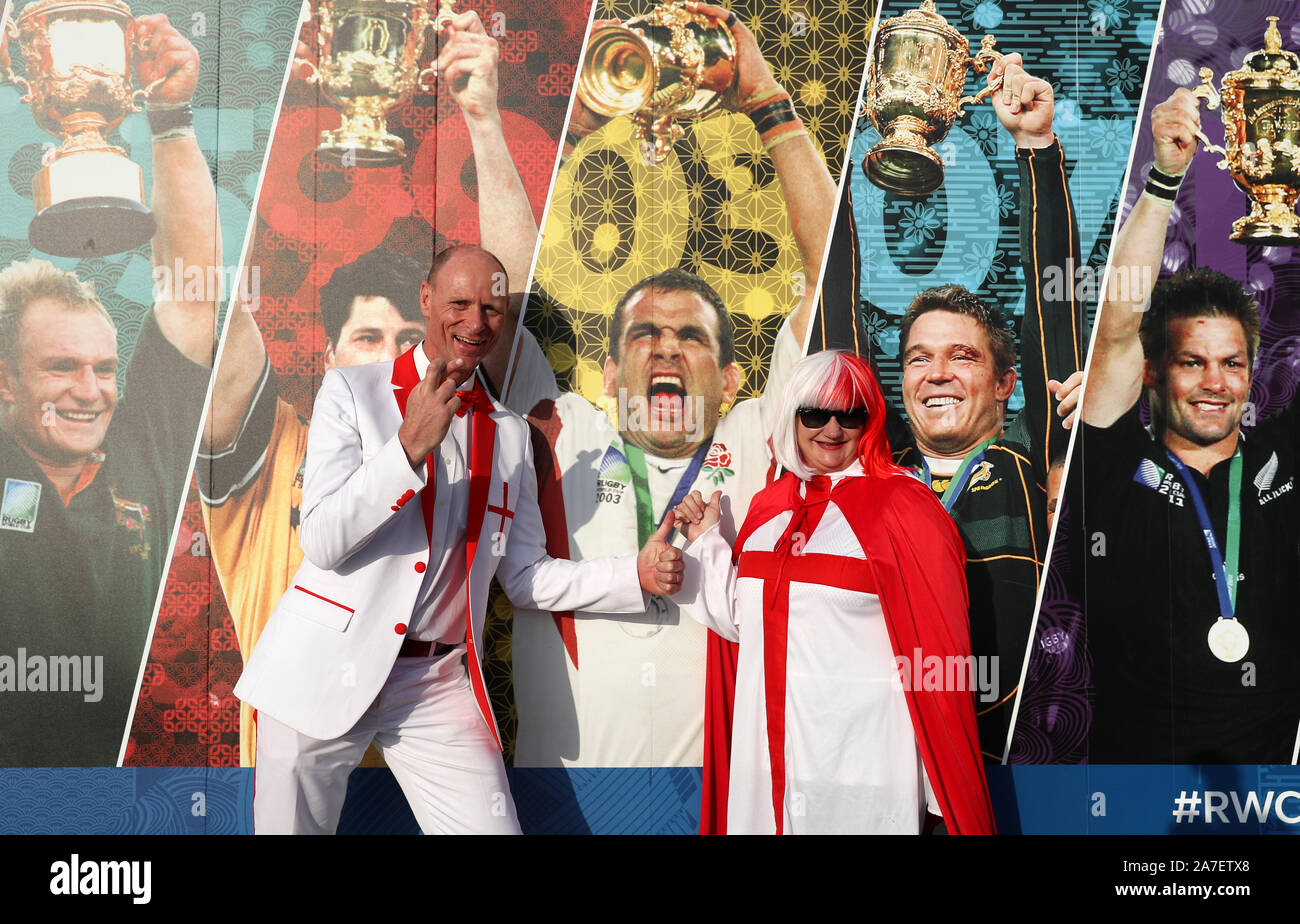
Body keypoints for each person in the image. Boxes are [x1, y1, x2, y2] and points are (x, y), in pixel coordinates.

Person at [198, 9, 551, 767]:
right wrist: (205, 115)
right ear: (328, 355)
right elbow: (211, 318)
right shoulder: (289, 435)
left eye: (404, 345)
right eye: (367, 342)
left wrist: (483, 118)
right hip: (311, 708)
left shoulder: (482, 421)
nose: (391, 363)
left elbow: (507, 293)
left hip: (435, 697)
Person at [234, 245, 683, 834]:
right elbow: (321, 538)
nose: (475, 323)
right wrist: (406, 450)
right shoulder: (351, 392)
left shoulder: (512, 436)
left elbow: (525, 578)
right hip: (323, 667)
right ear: (426, 300)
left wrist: (636, 575)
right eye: (459, 303)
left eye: (493, 309)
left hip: (433, 684)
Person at [502, 3, 834, 785]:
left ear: (733, 380)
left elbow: (830, 275)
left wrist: (768, 101)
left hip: (718, 806)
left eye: (692, 338)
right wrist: (588, 106)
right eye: (644, 335)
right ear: (609, 376)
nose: (665, 349)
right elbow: (503, 289)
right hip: (563, 803)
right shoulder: (565, 425)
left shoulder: (759, 436)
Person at [823, 52, 1085, 759]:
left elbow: (1051, 302)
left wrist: (1034, 146)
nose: (936, 374)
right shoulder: (868, 465)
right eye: (917, 358)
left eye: (963, 357)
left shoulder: (1040, 454)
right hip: (883, 761)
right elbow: (835, 300)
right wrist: (835, 142)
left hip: (1015, 756)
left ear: (1006, 383)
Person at [0, 16, 221, 766]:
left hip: (130, 788)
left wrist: (170, 119)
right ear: (5, 380)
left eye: (103, 367)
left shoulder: (138, 449)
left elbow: (192, 296)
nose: (91, 390)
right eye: (61, 368)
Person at [666, 350, 994, 834]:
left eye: (850, 414)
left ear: (871, 421)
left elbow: (937, 662)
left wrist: (940, 797)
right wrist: (708, 543)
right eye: (815, 413)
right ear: (792, 416)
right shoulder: (766, 508)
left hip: (859, 778)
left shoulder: (905, 508)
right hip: (765, 768)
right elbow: (745, 625)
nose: (832, 429)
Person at [1075, 89, 1300, 763]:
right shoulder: (1115, 467)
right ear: (1151, 371)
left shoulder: (1283, 464)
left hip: (1272, 804)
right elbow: (1115, 329)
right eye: (1191, 362)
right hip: (1135, 797)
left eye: (1232, 364)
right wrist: (1164, 178)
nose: (1214, 383)